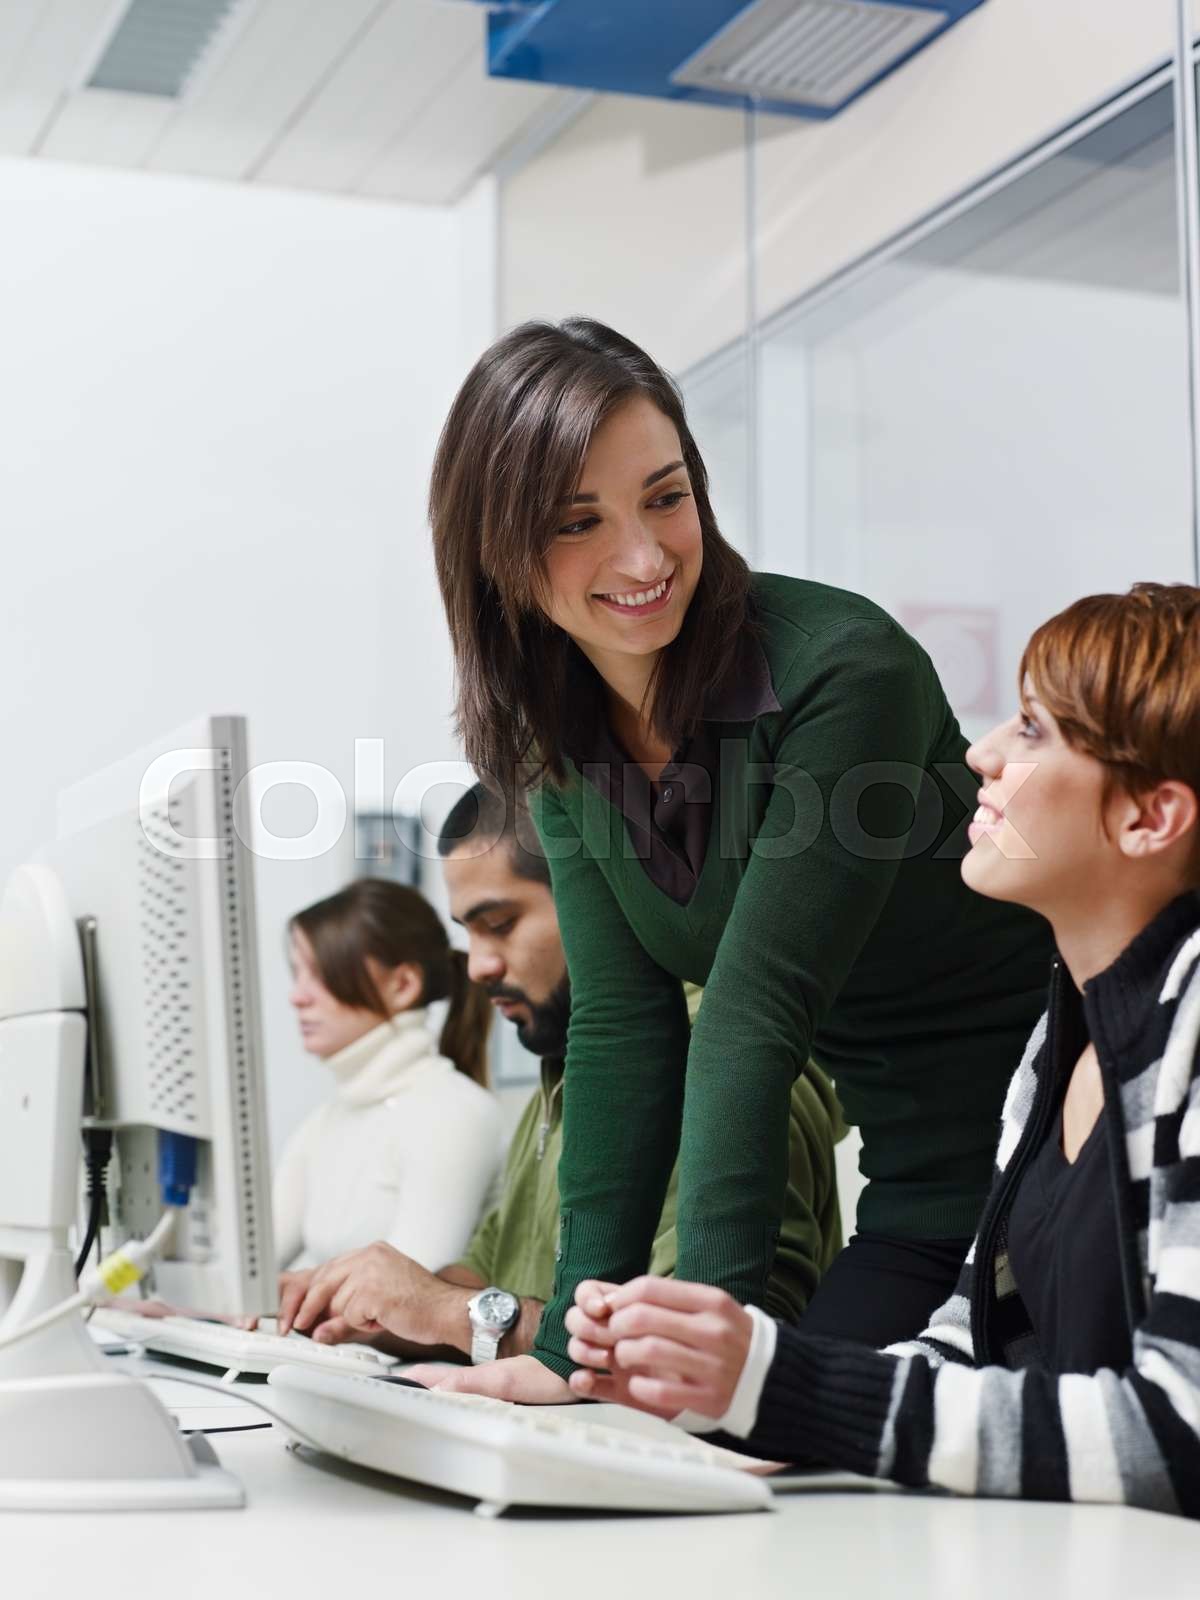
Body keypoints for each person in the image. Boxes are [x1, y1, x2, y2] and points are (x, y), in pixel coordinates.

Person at [424, 317, 1052, 1399]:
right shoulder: (554, 740)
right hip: (918, 1195)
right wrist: (568, 1355)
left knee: (774, 1434)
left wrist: (701, 1363)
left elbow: (753, 1017)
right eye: (582, 521)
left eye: (665, 498)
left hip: (1050, 1171)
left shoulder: (843, 670)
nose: (644, 555)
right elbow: (624, 1027)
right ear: (502, 556)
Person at [562, 584, 1200, 1520]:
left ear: (1151, 818)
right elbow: (973, 1335)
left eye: (1031, 731)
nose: (980, 752)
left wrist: (792, 1391)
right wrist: (741, 1399)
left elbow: (1181, 1431)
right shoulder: (1059, 1040)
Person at [274, 784, 845, 1359]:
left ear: (598, 896)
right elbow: (482, 1278)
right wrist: (366, 1303)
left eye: (498, 924)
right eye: (468, 933)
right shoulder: (559, 1077)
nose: (477, 967)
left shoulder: (727, 1065)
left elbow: (703, 1354)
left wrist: (443, 1309)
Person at [272, 877, 502, 1275]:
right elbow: (248, 1271)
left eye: (321, 972)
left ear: (402, 985)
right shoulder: (328, 1120)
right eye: (297, 973)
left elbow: (401, 1302)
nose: (297, 996)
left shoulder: (454, 1115)